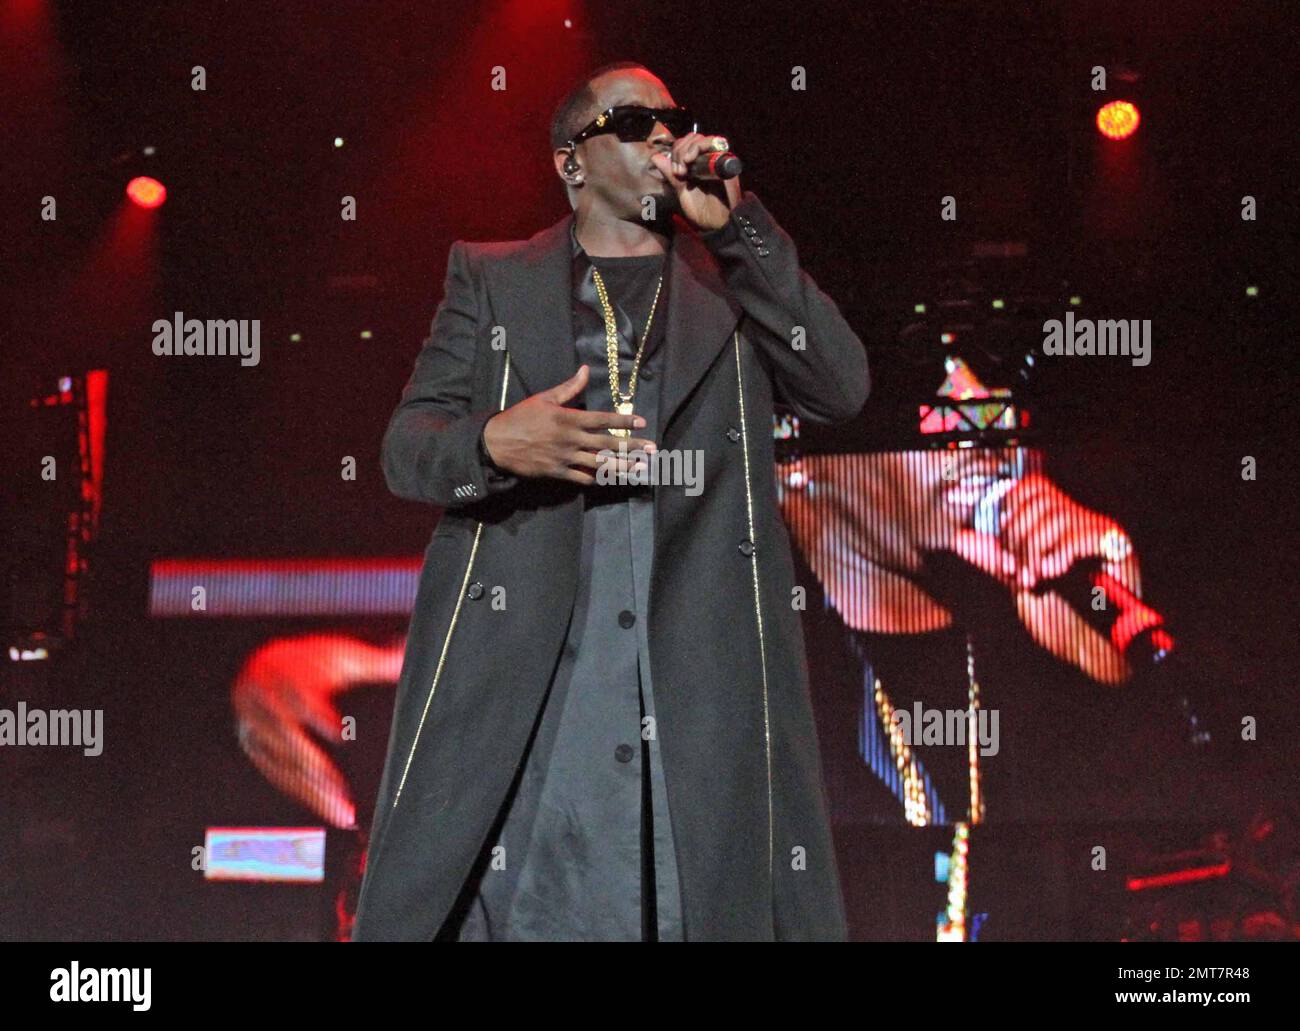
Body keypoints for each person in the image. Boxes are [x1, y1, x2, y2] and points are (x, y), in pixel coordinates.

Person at [337, 61, 868, 941]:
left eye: (674, 118)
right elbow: (406, 449)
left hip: (697, 691)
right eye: (633, 121)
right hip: (534, 686)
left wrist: (738, 232)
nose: (665, 135)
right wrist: (496, 443)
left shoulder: (731, 291)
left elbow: (841, 386)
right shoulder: (491, 278)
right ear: (571, 162)